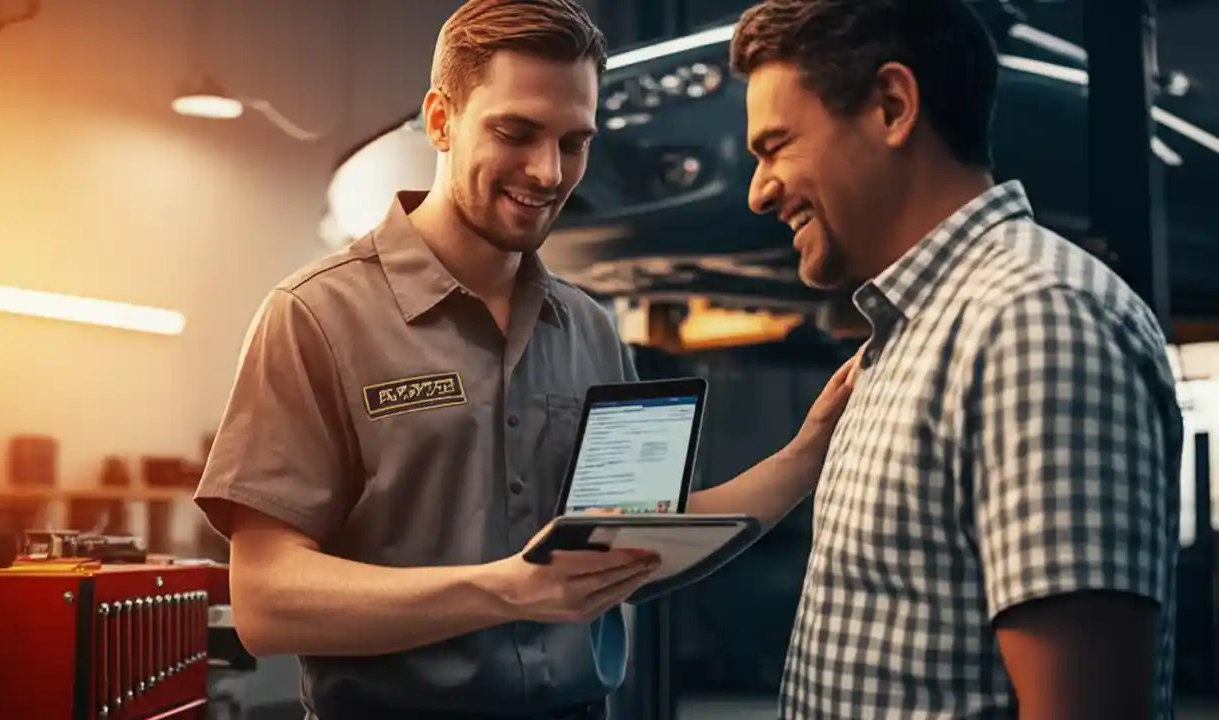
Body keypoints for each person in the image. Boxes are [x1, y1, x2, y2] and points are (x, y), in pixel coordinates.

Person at [193, 1, 856, 718]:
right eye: (517, 132)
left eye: (574, 142)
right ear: (441, 120)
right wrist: (503, 589)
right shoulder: (315, 318)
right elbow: (264, 601)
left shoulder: (589, 330)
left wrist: (806, 455)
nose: (547, 172)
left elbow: (623, 552)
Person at [730, 0, 1183, 718]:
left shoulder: (1032, 322)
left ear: (891, 105)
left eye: (775, 145)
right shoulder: (919, 328)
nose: (758, 192)